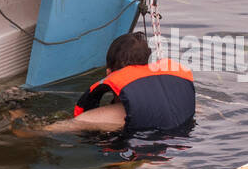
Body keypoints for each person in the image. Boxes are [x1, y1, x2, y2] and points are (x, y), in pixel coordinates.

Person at [12, 32, 195, 134]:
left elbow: (28, 133)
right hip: (178, 149)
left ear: (109, 74)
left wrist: (14, 110)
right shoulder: (181, 97)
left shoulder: (100, 118)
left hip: (135, 155)